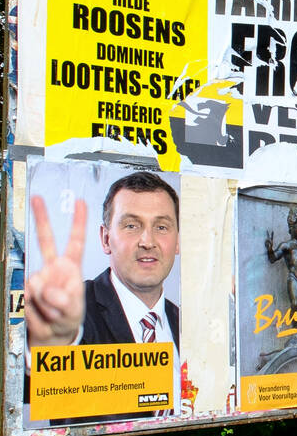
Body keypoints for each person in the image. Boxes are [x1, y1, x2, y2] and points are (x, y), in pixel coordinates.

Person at [25, 171, 183, 420]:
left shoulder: (188, 323)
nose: (147, 241)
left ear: (177, 241)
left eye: (161, 227)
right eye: (132, 225)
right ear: (105, 238)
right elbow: (32, 387)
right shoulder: (74, 311)